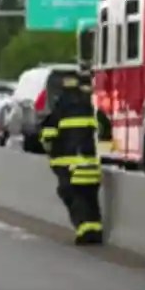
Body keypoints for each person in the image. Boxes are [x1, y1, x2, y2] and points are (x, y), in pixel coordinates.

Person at [39, 72, 103, 245]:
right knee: (90, 197)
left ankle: (84, 231)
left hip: (68, 165)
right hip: (91, 163)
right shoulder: (91, 108)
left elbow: (48, 135)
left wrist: (49, 149)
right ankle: (95, 230)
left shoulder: (61, 109)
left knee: (72, 196)